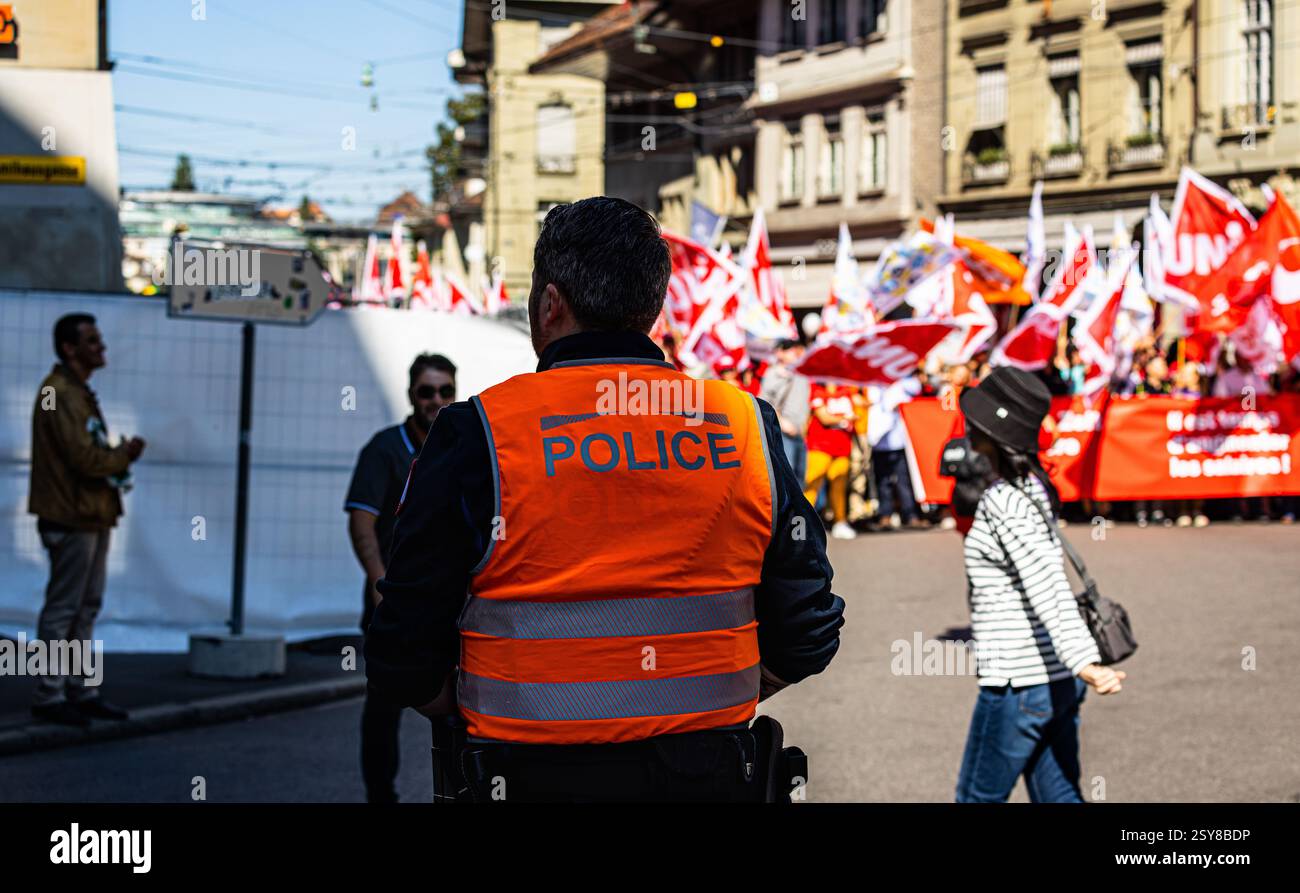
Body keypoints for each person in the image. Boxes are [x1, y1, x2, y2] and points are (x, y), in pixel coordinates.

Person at [364, 197, 845, 802]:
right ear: (653, 306)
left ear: (549, 303)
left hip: (528, 780)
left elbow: (400, 647)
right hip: (706, 776)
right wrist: (725, 698)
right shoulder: (744, 425)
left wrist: (468, 709)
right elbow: (809, 626)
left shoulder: (479, 433)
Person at [953, 367, 1126, 802]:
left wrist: (1085, 661)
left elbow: (1046, 584)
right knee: (1060, 797)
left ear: (988, 433)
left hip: (1018, 682)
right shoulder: (1030, 487)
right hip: (1053, 681)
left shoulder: (1003, 500)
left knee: (975, 799)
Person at [344, 353, 457, 803]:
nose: (436, 400)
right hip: (393, 599)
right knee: (384, 705)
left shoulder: (458, 446)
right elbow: (360, 521)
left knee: (454, 710)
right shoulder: (385, 448)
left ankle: (454, 790)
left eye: (445, 391)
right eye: (426, 391)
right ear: (412, 393)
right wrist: (378, 585)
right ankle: (380, 795)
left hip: (449, 604)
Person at [28, 313, 146, 727]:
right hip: (73, 513)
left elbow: (83, 453)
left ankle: (76, 688)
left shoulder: (73, 392)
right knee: (66, 608)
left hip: (87, 513)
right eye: (93, 341)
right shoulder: (59, 393)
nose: (102, 348)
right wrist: (122, 457)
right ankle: (51, 693)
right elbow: (82, 458)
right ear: (69, 348)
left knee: (84, 607)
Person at [804, 382, 862, 540]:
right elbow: (824, 417)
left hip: (842, 446)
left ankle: (840, 521)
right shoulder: (816, 389)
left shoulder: (846, 390)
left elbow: (859, 406)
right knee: (812, 484)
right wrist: (845, 417)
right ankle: (801, 523)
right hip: (820, 446)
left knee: (839, 485)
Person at [867, 372, 923, 530]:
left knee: (903, 480)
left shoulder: (902, 382)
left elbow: (915, 388)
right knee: (883, 481)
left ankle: (910, 515)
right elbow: (871, 398)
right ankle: (885, 516)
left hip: (900, 441)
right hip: (880, 441)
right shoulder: (873, 384)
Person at [759, 338, 810, 486]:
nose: (793, 351)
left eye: (793, 347)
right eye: (788, 348)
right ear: (778, 352)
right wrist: (782, 422)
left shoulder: (800, 371)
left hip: (800, 433)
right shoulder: (772, 373)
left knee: (799, 479)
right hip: (783, 434)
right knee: (787, 480)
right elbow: (764, 404)